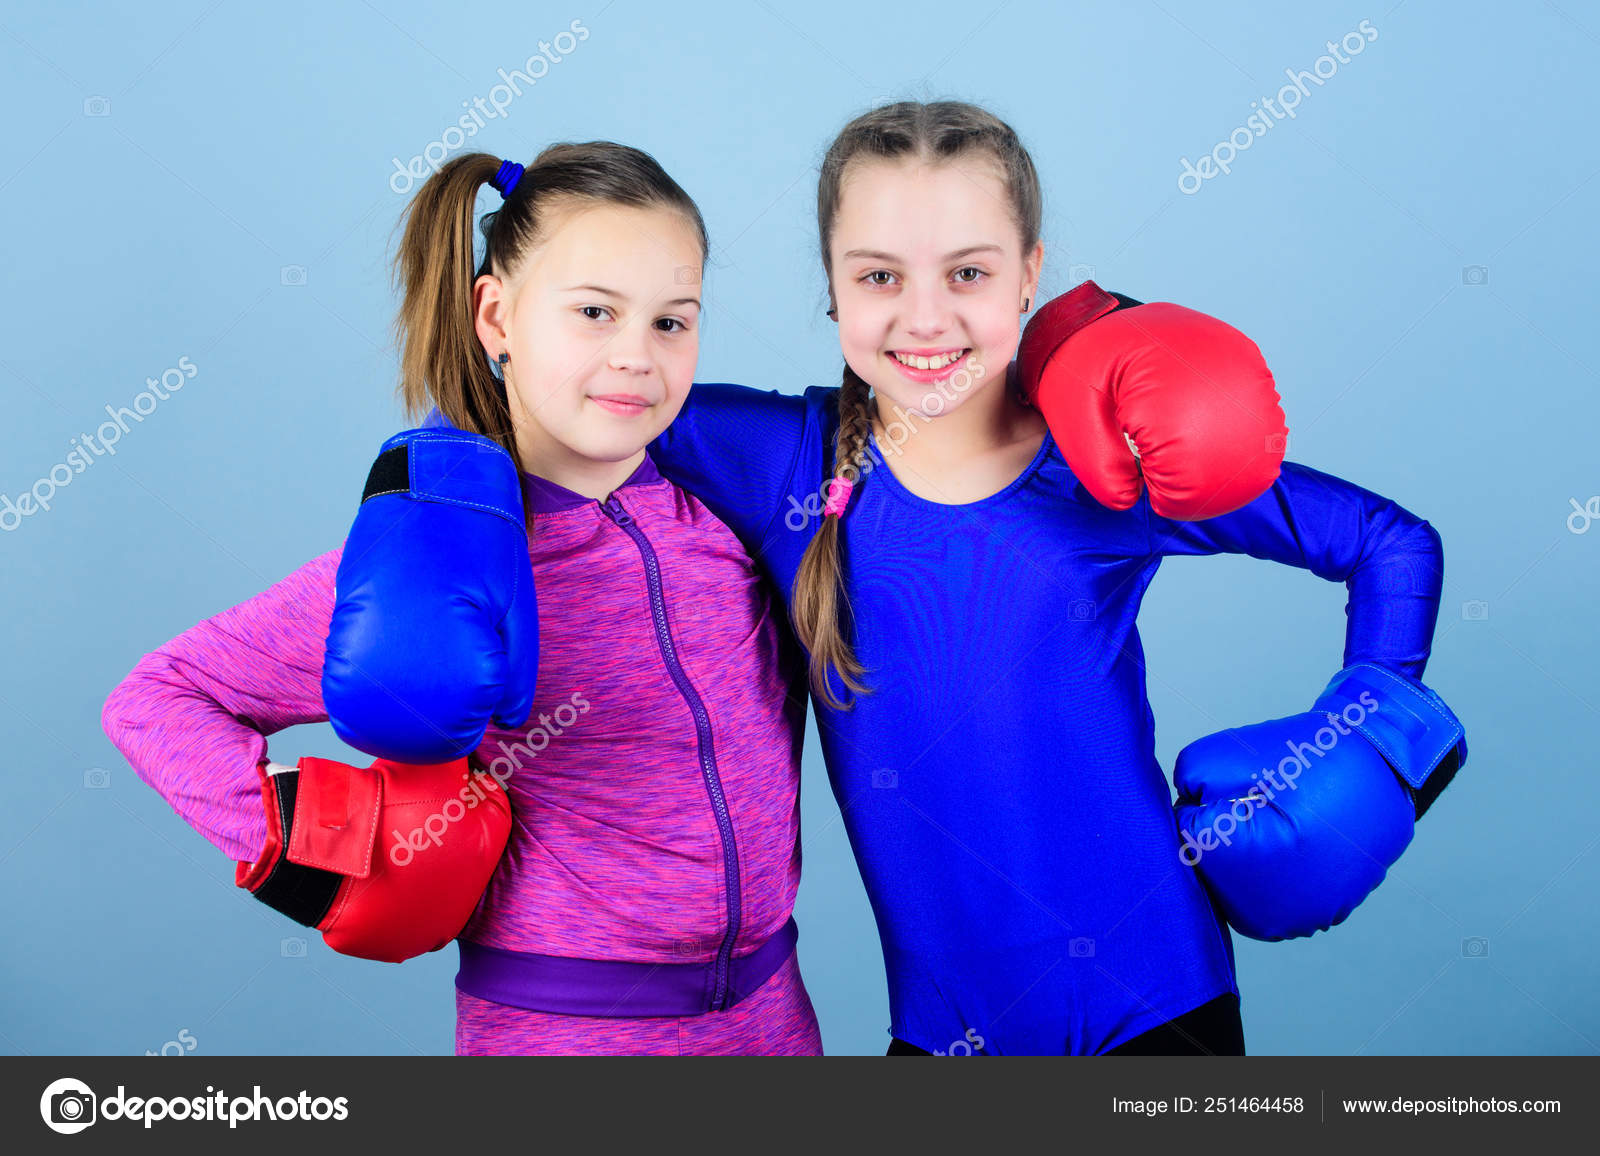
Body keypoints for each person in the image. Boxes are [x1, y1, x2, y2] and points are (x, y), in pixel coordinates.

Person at [103, 144, 823, 1056]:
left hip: (773, 1016)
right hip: (567, 1033)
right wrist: (329, 849)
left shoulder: (720, 521)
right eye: (595, 312)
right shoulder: (438, 566)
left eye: (672, 322)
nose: (636, 356)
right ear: (497, 316)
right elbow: (155, 696)